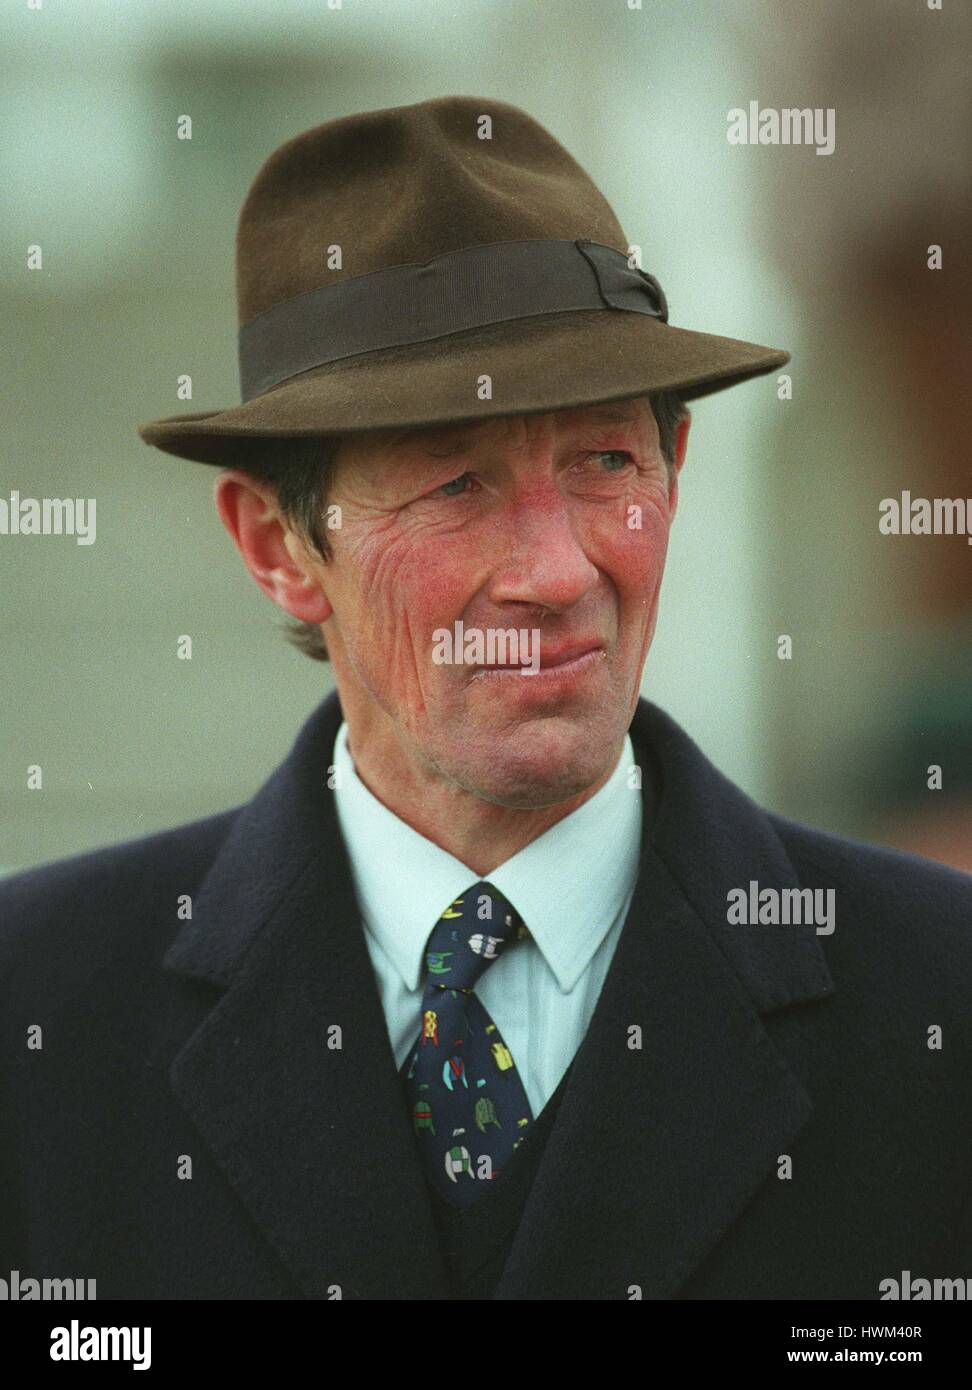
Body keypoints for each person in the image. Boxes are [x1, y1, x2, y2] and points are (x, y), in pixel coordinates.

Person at [2, 95, 970, 1301]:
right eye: (456, 482)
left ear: (677, 473)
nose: (560, 570)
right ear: (277, 544)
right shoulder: (38, 1021)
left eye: (606, 461)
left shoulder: (938, 1005)